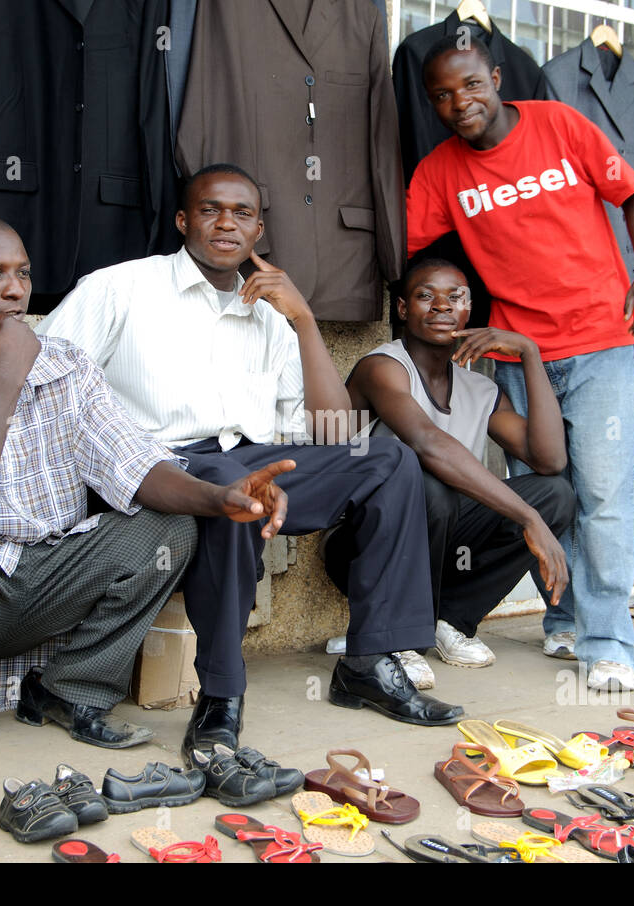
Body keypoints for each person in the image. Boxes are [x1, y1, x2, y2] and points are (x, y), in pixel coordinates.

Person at [39, 164, 465, 773]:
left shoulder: (269, 316)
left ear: (258, 228)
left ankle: (370, 662)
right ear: (184, 220)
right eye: (211, 209)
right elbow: (45, 379)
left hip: (250, 456)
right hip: (156, 464)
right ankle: (220, 694)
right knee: (237, 493)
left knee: (385, 456)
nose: (226, 223)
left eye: (242, 213)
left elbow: (332, 431)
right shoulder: (119, 289)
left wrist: (305, 320)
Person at [0, 209, 293, 765]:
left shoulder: (67, 366)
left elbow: (134, 464)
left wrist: (223, 498)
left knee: (170, 528)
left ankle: (71, 691)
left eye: (23, 274)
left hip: (56, 574)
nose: (15, 291)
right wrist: (7, 382)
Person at [407, 36, 634, 691]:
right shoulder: (439, 171)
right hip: (517, 356)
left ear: (495, 78)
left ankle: (610, 644)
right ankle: (566, 620)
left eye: (469, 86)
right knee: (551, 499)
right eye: (442, 94)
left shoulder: (559, 123)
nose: (459, 102)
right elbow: (421, 265)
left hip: (600, 340)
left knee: (604, 498)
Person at [326, 258, 574, 673]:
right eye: (425, 296)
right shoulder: (383, 367)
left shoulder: (480, 388)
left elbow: (549, 460)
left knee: (556, 494)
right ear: (403, 309)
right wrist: (528, 519)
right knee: (430, 483)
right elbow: (428, 444)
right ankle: (396, 635)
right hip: (360, 545)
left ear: (469, 309)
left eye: (454, 297)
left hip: (444, 544)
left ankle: (449, 620)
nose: (442, 306)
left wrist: (530, 353)